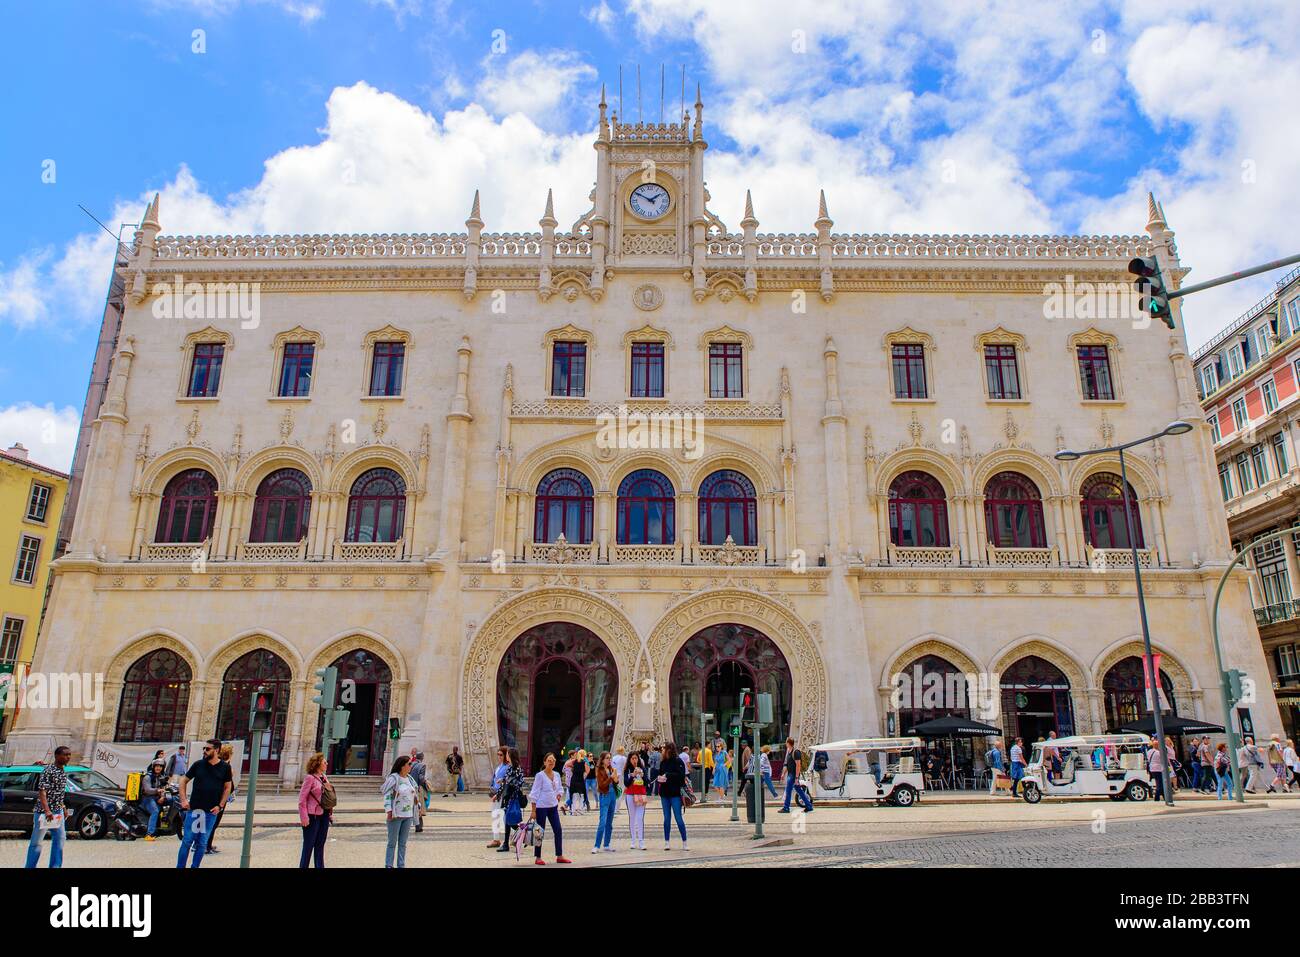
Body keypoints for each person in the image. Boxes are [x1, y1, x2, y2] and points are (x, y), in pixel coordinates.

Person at [177, 738, 232, 869]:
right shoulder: (198, 764)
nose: (205, 751)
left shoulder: (225, 767)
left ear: (216, 750)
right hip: (195, 809)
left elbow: (227, 787)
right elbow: (183, 780)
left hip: (211, 812)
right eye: (204, 748)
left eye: (207, 749)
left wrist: (220, 805)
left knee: (202, 843)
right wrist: (183, 799)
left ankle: (195, 867)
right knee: (187, 841)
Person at [25, 745, 71, 868]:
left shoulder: (63, 771)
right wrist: (47, 810)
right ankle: (30, 866)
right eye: (65, 755)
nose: (68, 757)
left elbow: (59, 792)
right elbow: (42, 791)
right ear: (57, 756)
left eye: (69, 755)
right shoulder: (48, 770)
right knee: (37, 841)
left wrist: (63, 807)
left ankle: (55, 866)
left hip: (58, 810)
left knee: (60, 838)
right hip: (44, 811)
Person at [527, 752, 572, 864]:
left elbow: (560, 789)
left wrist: (558, 796)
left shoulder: (556, 775)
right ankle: (538, 857)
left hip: (553, 807)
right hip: (541, 807)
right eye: (549, 760)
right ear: (545, 762)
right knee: (539, 832)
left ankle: (559, 855)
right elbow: (534, 793)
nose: (551, 762)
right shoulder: (540, 776)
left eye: (553, 760)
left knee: (558, 830)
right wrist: (533, 810)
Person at [298, 751, 333, 868]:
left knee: (320, 845)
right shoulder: (310, 778)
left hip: (324, 815)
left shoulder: (324, 777)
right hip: (312, 816)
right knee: (308, 846)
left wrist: (330, 814)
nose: (327, 763)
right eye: (324, 762)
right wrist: (304, 817)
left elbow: (327, 797)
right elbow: (302, 800)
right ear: (318, 764)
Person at [383, 755, 418, 868]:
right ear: (402, 766)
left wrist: (418, 806)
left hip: (408, 815)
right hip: (396, 815)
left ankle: (401, 865)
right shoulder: (394, 778)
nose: (411, 766)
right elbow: (387, 795)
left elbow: (413, 794)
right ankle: (389, 865)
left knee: (403, 844)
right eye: (409, 764)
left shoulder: (410, 779)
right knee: (392, 843)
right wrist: (389, 811)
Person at [204, 743, 235, 854]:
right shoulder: (224, 767)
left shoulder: (224, 765)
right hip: (218, 798)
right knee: (212, 823)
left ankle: (208, 844)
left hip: (221, 798)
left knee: (213, 823)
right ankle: (205, 846)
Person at [657, 742, 688, 851]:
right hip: (664, 794)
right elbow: (660, 773)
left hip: (675, 794)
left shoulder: (678, 761)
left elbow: (681, 776)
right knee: (666, 819)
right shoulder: (663, 762)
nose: (662, 751)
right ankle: (667, 842)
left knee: (678, 818)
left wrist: (668, 775)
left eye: (664, 749)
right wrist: (660, 778)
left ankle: (684, 842)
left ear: (669, 750)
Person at [495, 747, 526, 853]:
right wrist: (499, 792)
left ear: (511, 755)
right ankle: (506, 843)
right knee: (508, 820)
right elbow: (506, 782)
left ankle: (522, 832)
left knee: (509, 820)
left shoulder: (517, 768)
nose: (506, 756)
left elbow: (520, 782)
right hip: (507, 797)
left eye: (507, 754)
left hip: (513, 797)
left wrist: (507, 780)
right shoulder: (510, 767)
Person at [592, 751, 619, 854]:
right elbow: (602, 785)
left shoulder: (611, 768)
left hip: (612, 796)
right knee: (602, 822)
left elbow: (615, 782)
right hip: (605, 795)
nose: (609, 760)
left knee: (609, 823)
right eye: (607, 758)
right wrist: (611, 778)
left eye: (610, 758)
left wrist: (616, 778)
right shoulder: (599, 770)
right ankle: (596, 845)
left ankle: (606, 844)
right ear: (602, 759)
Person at [779, 738, 813, 813]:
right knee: (799, 791)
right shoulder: (789, 752)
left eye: (786, 742)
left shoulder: (796, 752)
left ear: (788, 743)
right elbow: (786, 764)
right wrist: (783, 774)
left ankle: (786, 808)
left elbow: (798, 765)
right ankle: (809, 806)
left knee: (788, 790)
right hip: (790, 774)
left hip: (793, 775)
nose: (785, 743)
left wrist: (797, 777)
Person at [623, 751, 648, 850]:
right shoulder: (627, 770)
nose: (634, 760)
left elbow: (647, 782)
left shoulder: (642, 768)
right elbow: (626, 783)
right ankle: (633, 840)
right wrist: (632, 775)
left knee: (639, 818)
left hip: (641, 795)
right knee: (632, 818)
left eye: (636, 758)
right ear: (629, 759)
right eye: (632, 758)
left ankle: (641, 841)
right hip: (630, 795)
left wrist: (642, 775)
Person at [488, 746, 511, 847]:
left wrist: (498, 794)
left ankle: (513, 837)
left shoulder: (508, 767)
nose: (499, 757)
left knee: (504, 816)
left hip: (502, 795)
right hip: (495, 794)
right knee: (496, 816)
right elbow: (495, 779)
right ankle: (496, 839)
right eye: (498, 754)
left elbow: (506, 782)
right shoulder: (499, 766)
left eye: (501, 755)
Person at [140, 760, 167, 841]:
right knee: (155, 811)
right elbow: (147, 790)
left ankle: (158, 829)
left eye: (160, 766)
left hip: (156, 798)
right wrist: (157, 790)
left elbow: (164, 789)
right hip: (147, 798)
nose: (158, 768)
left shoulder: (161, 777)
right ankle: (149, 834)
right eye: (157, 766)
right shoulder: (148, 777)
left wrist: (162, 797)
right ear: (153, 767)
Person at [409, 751, 428, 832]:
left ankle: (417, 826)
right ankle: (418, 827)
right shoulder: (422, 765)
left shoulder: (411, 764)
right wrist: (425, 785)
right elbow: (421, 778)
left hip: (409, 787)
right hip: (417, 788)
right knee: (418, 807)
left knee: (412, 807)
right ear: (422, 757)